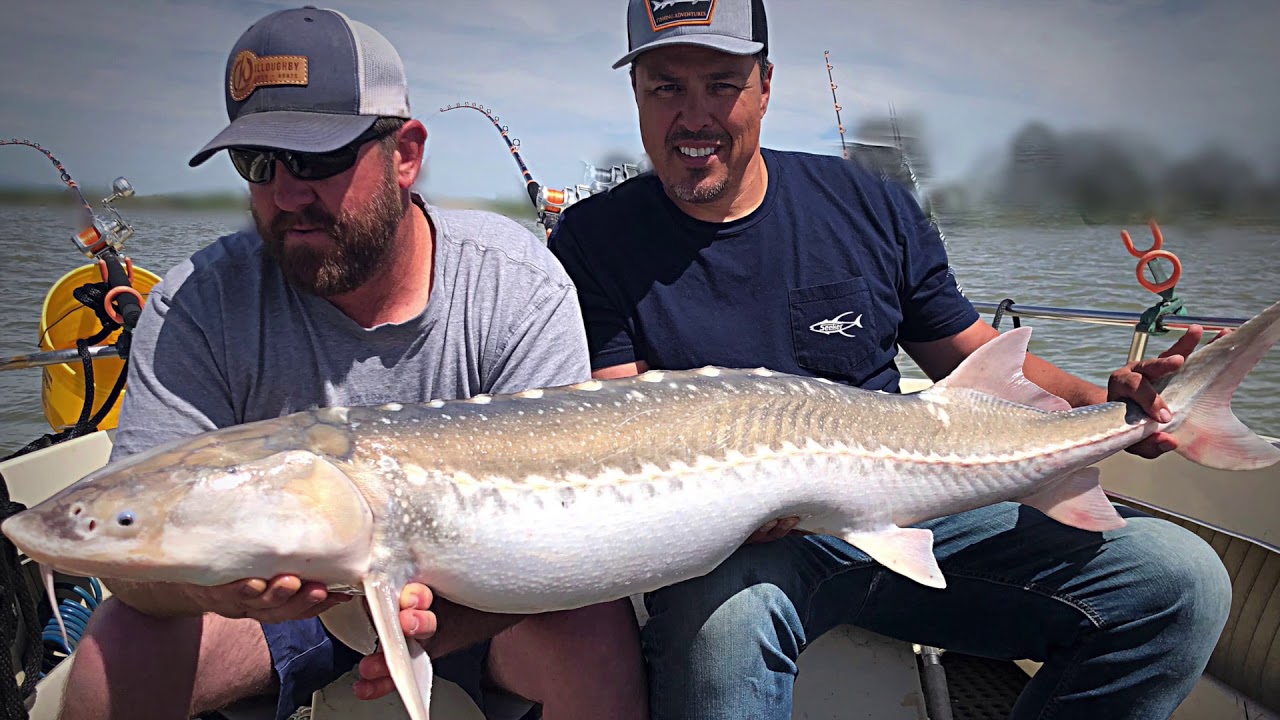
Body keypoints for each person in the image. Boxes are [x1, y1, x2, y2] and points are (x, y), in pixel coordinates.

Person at [539, 0, 1234, 718]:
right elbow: (620, 422)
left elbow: (975, 358)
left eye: (721, 85)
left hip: (925, 505)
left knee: (1178, 582)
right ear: (636, 93)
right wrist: (737, 503)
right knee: (724, 631)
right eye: (665, 87)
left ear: (765, 87)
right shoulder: (593, 239)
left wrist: (1116, 406)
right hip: (739, 548)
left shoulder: (868, 206)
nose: (693, 117)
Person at [59, 7, 646, 720]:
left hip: (479, 597)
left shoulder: (515, 285)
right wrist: (205, 588)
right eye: (258, 163)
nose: (287, 194)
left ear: (405, 154)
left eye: (318, 158)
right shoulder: (196, 304)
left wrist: (445, 619)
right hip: (273, 605)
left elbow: (562, 529)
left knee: (592, 629)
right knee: (115, 652)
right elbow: (128, 556)